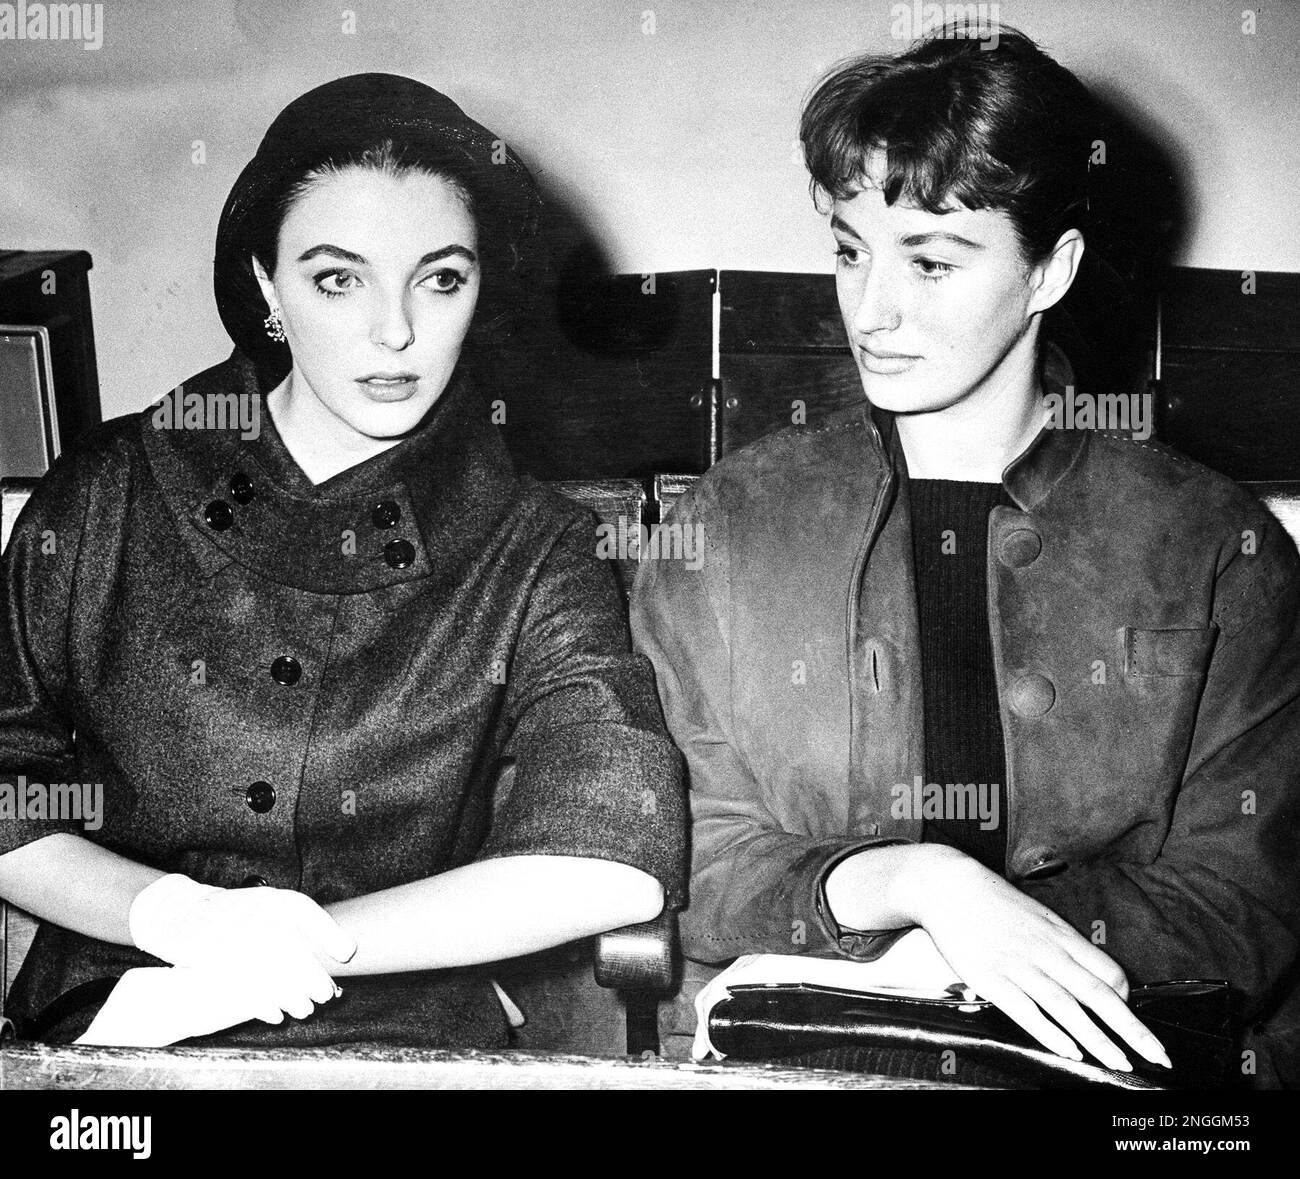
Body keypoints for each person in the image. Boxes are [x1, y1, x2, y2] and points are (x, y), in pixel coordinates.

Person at [631, 27, 1300, 1084]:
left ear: (1050, 270)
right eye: (851, 250)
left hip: (1133, 1072)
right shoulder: (726, 524)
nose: (872, 312)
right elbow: (685, 856)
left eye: (931, 262)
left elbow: (1247, 896)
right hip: (805, 1065)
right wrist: (914, 886)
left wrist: (981, 951)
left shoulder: (1217, 545)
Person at [0, 73, 685, 1048]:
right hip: (119, 1017)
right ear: (269, 288)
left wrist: (308, 943)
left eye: (441, 278)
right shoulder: (106, 491)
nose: (394, 331)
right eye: (338, 279)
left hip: (404, 1032)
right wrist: (175, 919)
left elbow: (611, 856)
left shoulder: (534, 547)